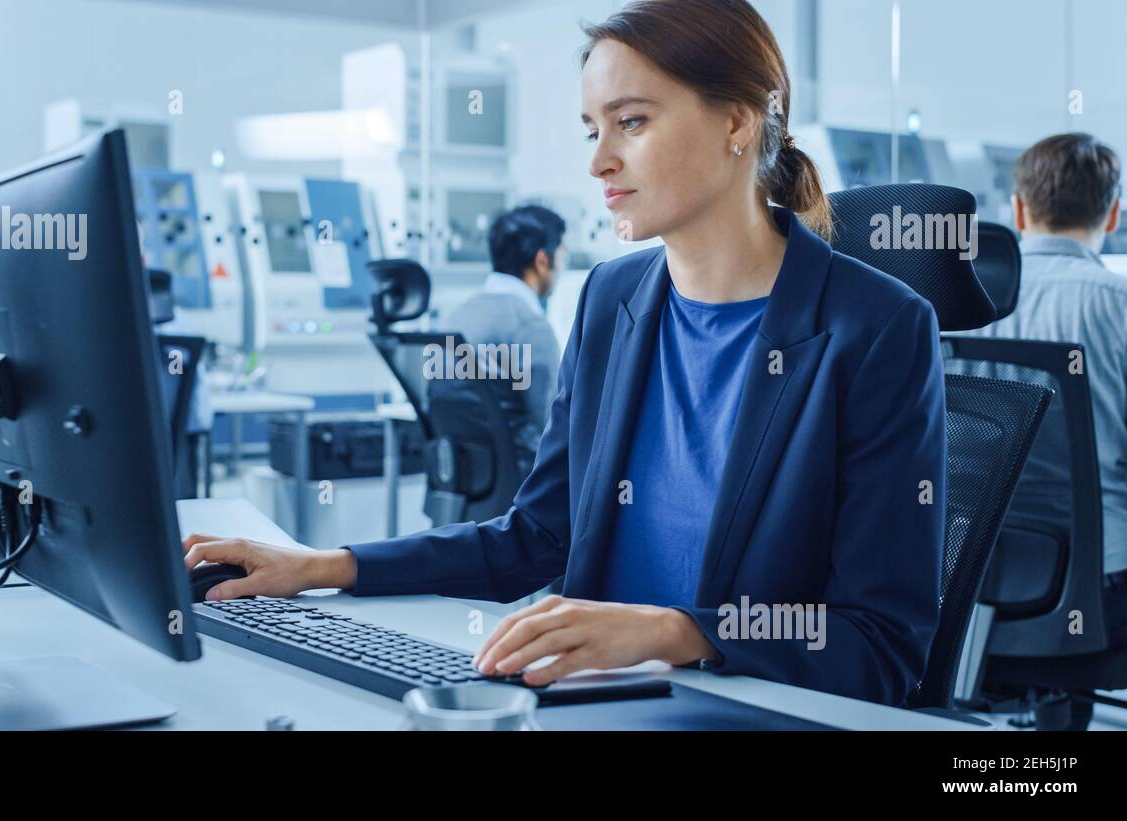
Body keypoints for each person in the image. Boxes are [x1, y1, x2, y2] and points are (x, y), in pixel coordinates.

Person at [182, 0, 946, 706]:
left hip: (736, 712)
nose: (599, 162)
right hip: (596, 706)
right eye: (593, 129)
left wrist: (681, 632)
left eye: (632, 123)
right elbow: (537, 537)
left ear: (737, 123)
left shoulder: (877, 328)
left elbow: (880, 641)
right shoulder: (613, 300)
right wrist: (324, 566)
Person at [960, 133, 1127, 633]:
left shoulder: (960, 301)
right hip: (1103, 583)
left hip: (967, 579)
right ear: (1114, 214)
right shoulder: (1117, 305)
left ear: (1018, 210)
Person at [435, 204, 566, 479]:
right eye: (562, 256)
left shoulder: (455, 316)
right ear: (543, 260)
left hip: (465, 482)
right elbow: (551, 426)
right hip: (519, 487)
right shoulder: (528, 325)